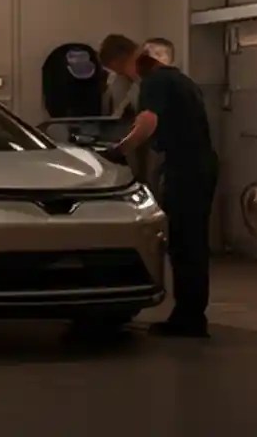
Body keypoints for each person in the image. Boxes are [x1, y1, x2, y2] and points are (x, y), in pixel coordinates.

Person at [98, 34, 218, 338]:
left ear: (119, 61)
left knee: (184, 244)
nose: (122, 77)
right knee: (193, 242)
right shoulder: (178, 79)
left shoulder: (154, 81)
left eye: (117, 71)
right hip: (200, 164)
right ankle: (192, 313)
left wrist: (118, 151)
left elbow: (148, 122)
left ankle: (188, 319)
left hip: (185, 168)